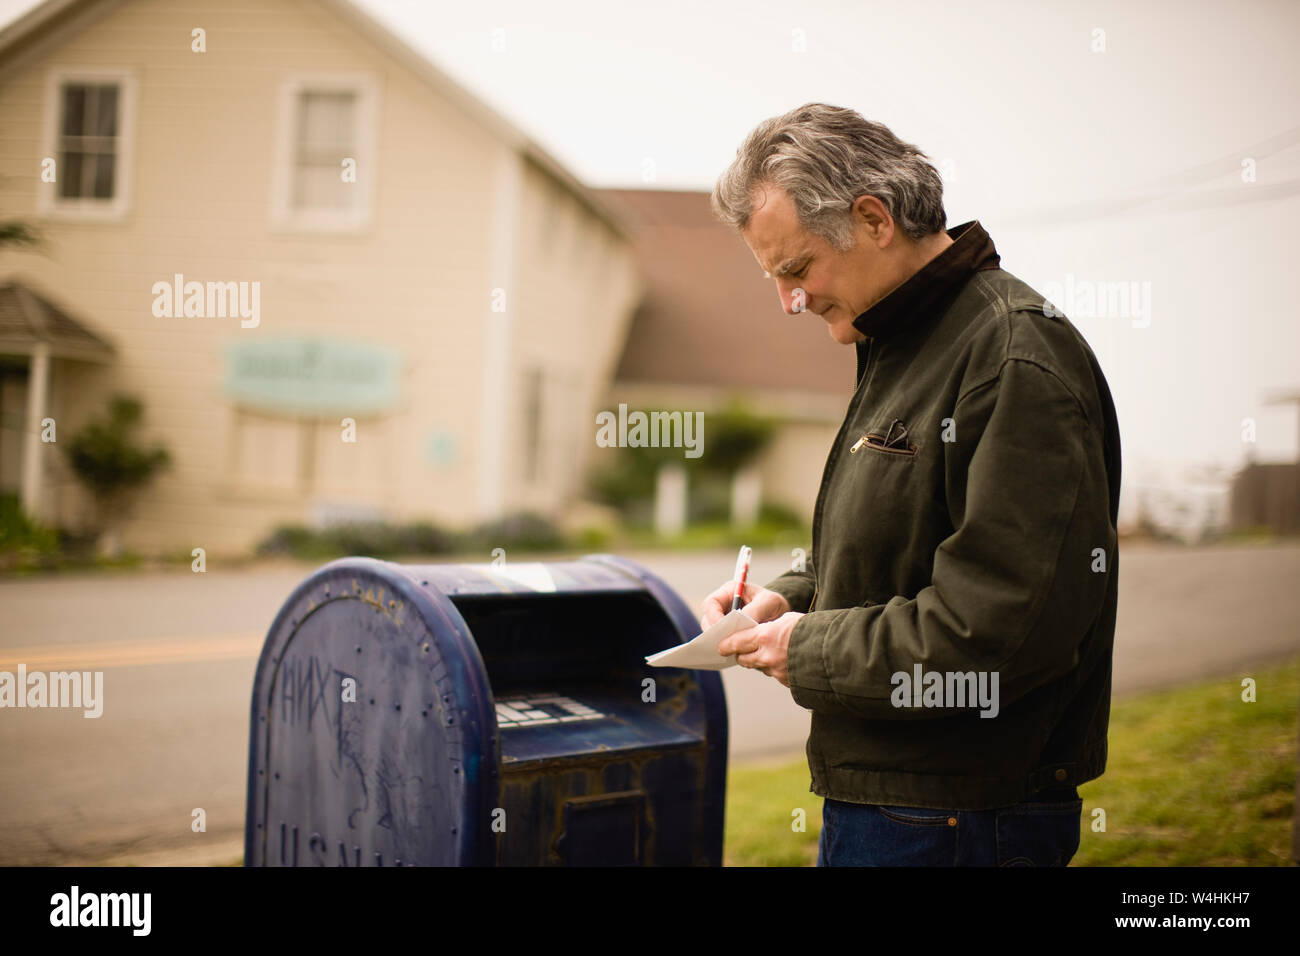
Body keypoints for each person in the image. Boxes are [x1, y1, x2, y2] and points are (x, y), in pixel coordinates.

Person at [699, 103, 1122, 867]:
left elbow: (1002, 629)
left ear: (872, 218)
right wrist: (787, 600)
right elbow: (901, 555)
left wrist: (810, 648)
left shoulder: (1010, 354)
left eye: (795, 270)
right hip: (903, 806)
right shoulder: (902, 345)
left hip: (961, 819)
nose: (789, 302)